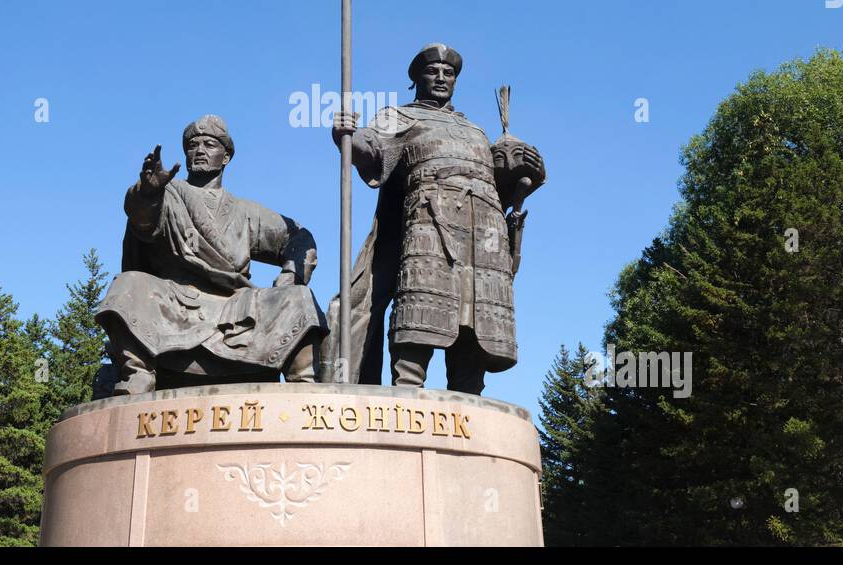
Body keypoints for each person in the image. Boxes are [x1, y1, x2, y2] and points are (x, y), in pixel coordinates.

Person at [330, 44, 545, 394]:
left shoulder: (474, 130)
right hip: (430, 223)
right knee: (421, 313)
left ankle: (469, 406)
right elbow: (370, 146)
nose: (442, 78)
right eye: (433, 71)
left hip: (484, 234)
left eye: (450, 73)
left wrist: (531, 170)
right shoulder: (398, 115)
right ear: (417, 79)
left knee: (475, 324)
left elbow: (501, 185)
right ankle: (407, 400)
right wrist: (347, 137)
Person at [97, 115, 327, 394]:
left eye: (209, 144)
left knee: (297, 298)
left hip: (235, 307)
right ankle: (138, 373)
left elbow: (298, 236)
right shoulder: (169, 194)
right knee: (128, 285)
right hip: (176, 301)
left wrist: (291, 274)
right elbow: (143, 221)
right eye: (193, 145)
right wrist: (148, 193)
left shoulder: (245, 211)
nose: (200, 150)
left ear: (226, 156)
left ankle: (302, 387)